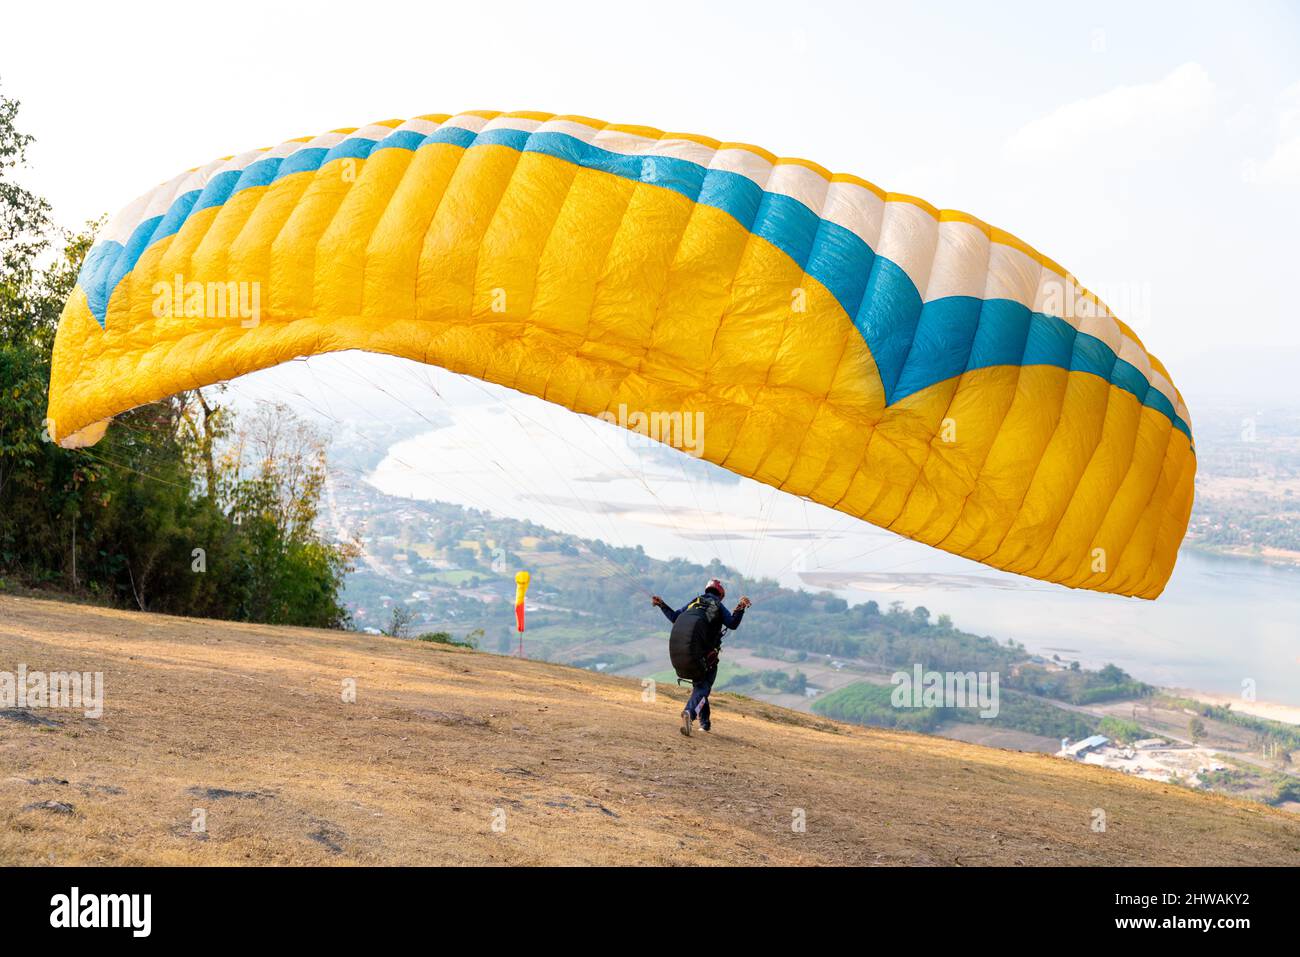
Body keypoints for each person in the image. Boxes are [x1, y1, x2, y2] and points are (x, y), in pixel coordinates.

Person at [652, 578, 751, 736]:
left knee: (700, 689)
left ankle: (705, 724)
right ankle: (689, 713)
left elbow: (675, 618)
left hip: (681, 650)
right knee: (703, 688)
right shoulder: (717, 605)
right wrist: (741, 608)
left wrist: (662, 605)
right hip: (704, 657)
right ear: (720, 594)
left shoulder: (694, 602)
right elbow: (732, 623)